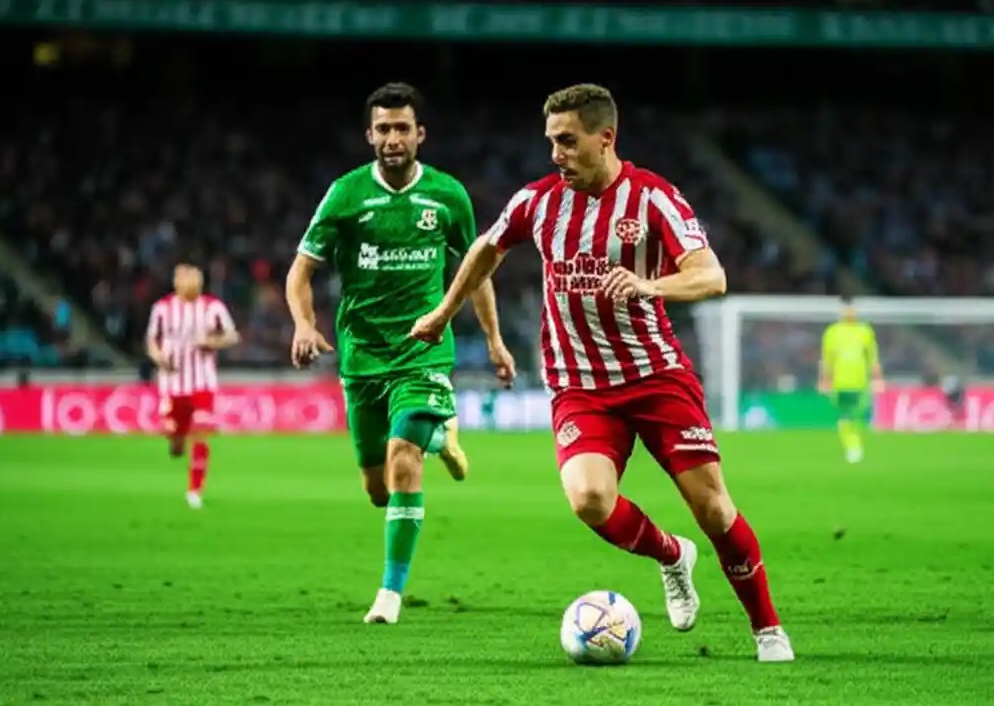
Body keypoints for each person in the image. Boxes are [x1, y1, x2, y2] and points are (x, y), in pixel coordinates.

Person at [410, 83, 793, 662]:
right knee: (589, 499)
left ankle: (767, 628)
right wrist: (443, 313)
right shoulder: (537, 203)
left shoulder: (654, 199)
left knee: (713, 508)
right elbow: (487, 250)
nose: (555, 154)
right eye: (551, 142)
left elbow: (712, 277)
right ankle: (670, 555)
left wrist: (650, 284)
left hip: (655, 376)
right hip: (580, 386)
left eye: (567, 141)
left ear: (605, 137)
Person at [286, 81, 515, 625]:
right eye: (383, 128)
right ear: (369, 135)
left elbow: (476, 270)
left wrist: (494, 340)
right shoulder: (345, 195)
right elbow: (301, 271)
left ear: (420, 134)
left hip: (423, 351)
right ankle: (443, 435)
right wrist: (303, 323)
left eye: (402, 128)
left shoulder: (448, 196)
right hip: (362, 356)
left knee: (402, 461)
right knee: (376, 489)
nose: (392, 137)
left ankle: (389, 594)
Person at [145, 261, 240, 510]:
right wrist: (158, 358)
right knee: (176, 439)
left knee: (200, 433)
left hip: (202, 382)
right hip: (173, 383)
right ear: (177, 284)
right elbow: (151, 341)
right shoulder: (162, 309)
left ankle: (194, 490)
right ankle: (176, 440)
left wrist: (211, 342)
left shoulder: (213, 307)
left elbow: (232, 335)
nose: (191, 288)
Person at [818, 295, 885, 463]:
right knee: (844, 416)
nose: (849, 312)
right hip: (840, 383)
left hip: (860, 382)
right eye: (846, 309)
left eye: (852, 309)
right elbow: (826, 359)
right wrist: (825, 379)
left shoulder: (865, 331)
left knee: (857, 416)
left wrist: (877, 378)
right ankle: (852, 446)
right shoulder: (832, 332)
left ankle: (854, 445)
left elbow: (873, 357)